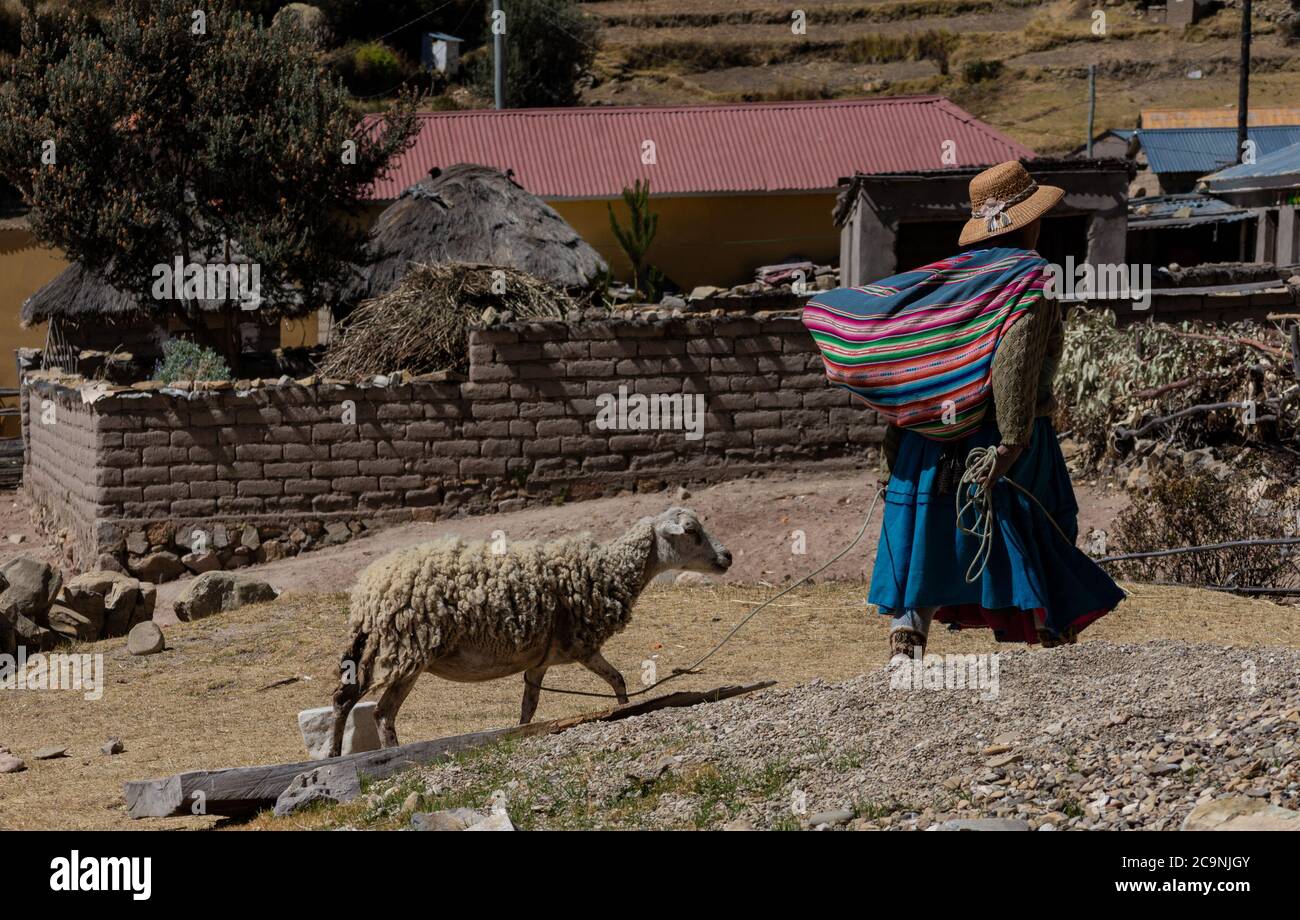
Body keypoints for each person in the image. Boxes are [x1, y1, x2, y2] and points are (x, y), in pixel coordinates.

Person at [804, 161, 1125, 659]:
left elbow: (914, 367)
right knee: (1035, 529)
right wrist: (1012, 443)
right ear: (1030, 220)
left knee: (925, 534)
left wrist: (894, 447)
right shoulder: (1031, 279)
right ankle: (1053, 643)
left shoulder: (946, 281)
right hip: (1001, 438)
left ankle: (907, 641)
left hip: (925, 440)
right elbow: (1013, 365)